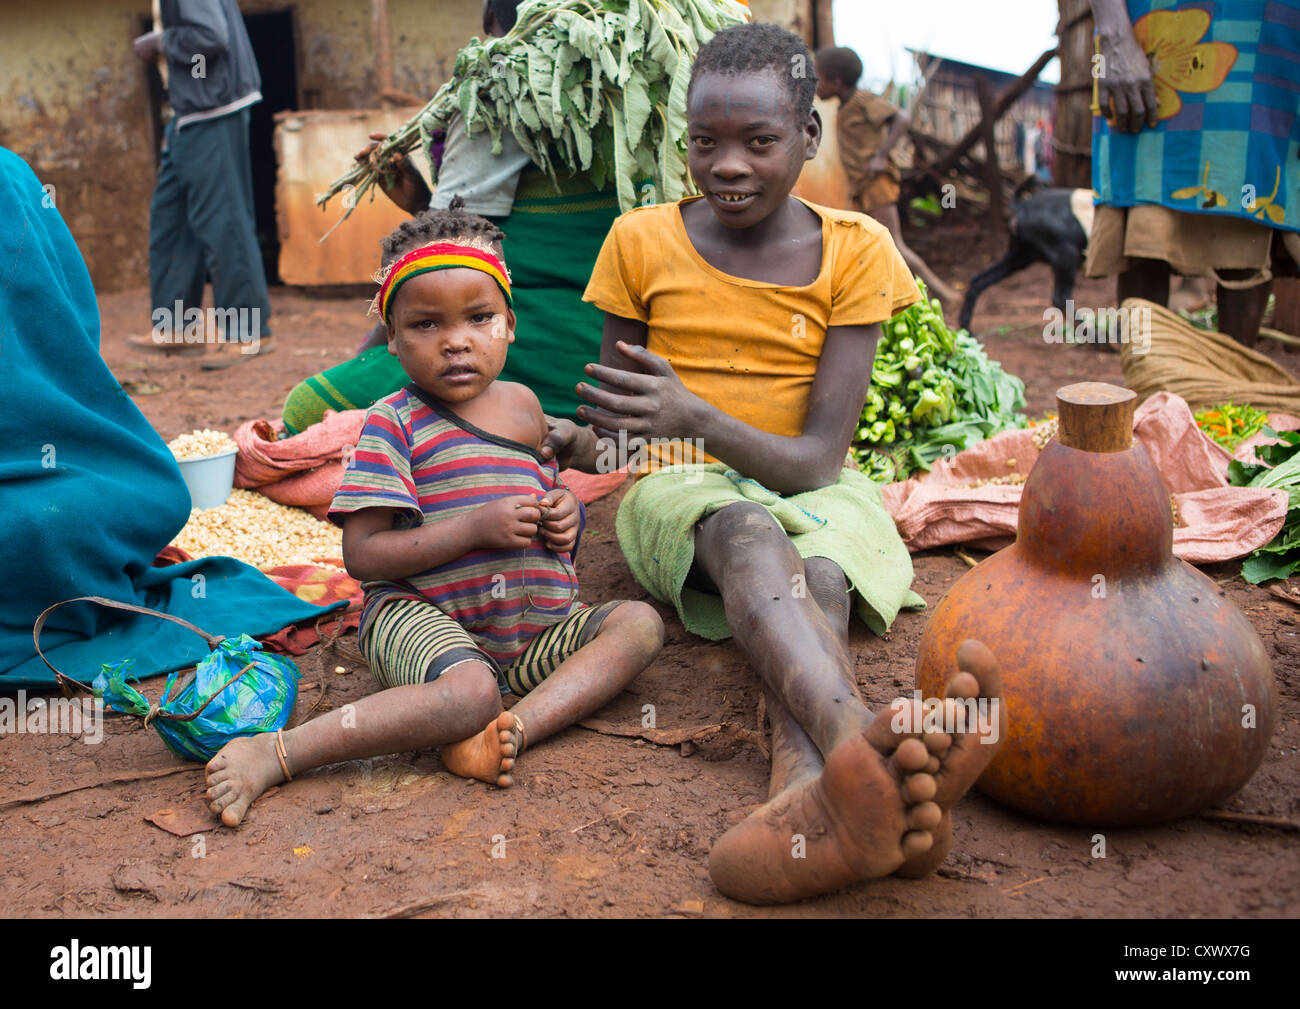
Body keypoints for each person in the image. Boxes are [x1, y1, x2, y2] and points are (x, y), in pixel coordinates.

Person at [541, 23, 1007, 905]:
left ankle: (810, 808)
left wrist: (695, 411)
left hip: (816, 479)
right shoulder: (639, 243)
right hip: (685, 486)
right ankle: (856, 741)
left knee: (820, 581)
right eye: (704, 143)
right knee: (755, 539)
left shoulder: (857, 248)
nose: (728, 165)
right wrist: (584, 438)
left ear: (808, 137)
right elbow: (633, 440)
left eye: (759, 141)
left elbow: (815, 461)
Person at [204, 204, 663, 828]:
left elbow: (550, 495)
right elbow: (363, 557)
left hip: (529, 631)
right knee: (468, 690)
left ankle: (509, 730)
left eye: (480, 318)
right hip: (424, 616)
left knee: (638, 624)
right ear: (392, 337)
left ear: (509, 324)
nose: (456, 341)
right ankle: (279, 753)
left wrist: (566, 518)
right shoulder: (392, 424)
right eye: (425, 324)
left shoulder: (527, 410)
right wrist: (473, 529)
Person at [281, 0, 621, 432]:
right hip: (605, 367)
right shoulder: (629, 96)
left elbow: (440, 262)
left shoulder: (497, 92)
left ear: (492, 25)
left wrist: (372, 354)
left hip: (524, 352)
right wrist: (423, 202)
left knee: (306, 408)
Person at [1086, 0, 1299, 346]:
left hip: (1272, 31)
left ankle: (1230, 391)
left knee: (1253, 200)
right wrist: (1113, 34)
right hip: (1153, 26)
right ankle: (1148, 385)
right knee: (1144, 203)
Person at [128, 0, 274, 369]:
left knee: (224, 220)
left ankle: (247, 331)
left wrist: (160, 42)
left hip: (213, 109)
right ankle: (178, 326)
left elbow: (209, 37)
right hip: (190, 112)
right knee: (170, 219)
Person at [814, 45, 960, 308]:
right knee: (861, 244)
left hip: (877, 184)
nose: (815, 84)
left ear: (836, 82)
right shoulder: (845, 107)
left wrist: (881, 155)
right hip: (861, 187)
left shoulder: (862, 101)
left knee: (894, 245)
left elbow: (901, 118)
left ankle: (942, 294)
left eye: (818, 78)